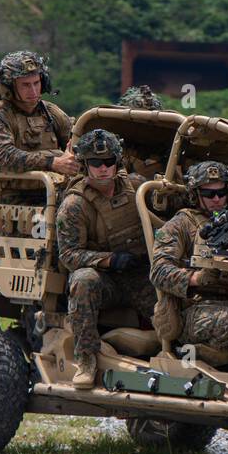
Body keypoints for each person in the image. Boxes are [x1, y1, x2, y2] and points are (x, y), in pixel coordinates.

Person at [56, 129, 158, 388]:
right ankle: (86, 359)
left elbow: (168, 205)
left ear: (117, 162)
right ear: (84, 165)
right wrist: (109, 261)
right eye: (95, 163)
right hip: (106, 280)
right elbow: (69, 254)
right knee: (82, 281)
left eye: (109, 162)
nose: (103, 169)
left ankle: (176, 355)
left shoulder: (136, 187)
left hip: (140, 275)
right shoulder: (74, 205)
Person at [149, 161, 228, 360]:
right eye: (209, 194)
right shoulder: (181, 224)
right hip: (194, 309)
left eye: (222, 193)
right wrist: (196, 278)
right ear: (194, 195)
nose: (217, 199)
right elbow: (158, 271)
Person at [0, 51, 78, 232]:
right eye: (25, 85)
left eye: (36, 83)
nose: (33, 91)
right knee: (57, 236)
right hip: (17, 206)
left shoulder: (50, 111)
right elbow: (2, 157)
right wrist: (53, 161)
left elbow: (76, 141)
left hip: (56, 195)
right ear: (9, 88)